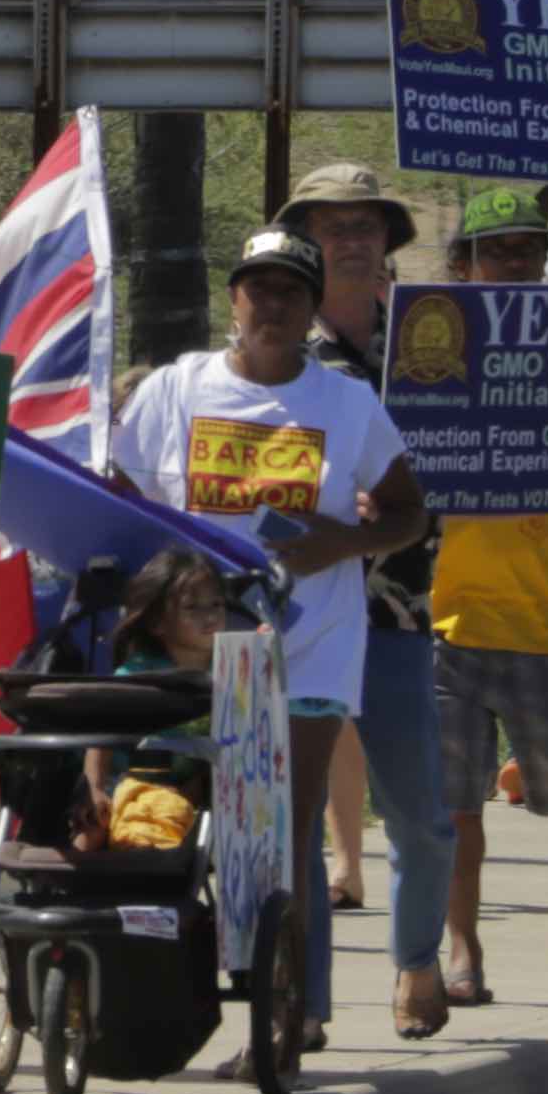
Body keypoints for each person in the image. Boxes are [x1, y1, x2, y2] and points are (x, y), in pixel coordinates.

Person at [106, 227, 428, 1048]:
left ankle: (289, 1012)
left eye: (291, 290)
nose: (273, 304)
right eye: (259, 287)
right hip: (194, 646)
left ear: (313, 305)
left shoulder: (348, 405)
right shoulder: (177, 390)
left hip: (309, 640)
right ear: (234, 299)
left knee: (284, 822)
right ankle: (171, 984)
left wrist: (339, 546)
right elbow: (117, 501)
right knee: (178, 809)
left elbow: (408, 511)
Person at [417, 189, 548, 998]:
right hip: (448, 621)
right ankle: (462, 949)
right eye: (495, 250)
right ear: (461, 267)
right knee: (452, 805)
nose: (513, 263)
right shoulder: (425, 353)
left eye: (527, 250)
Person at [274, 157, 454, 1043]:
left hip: (400, 609)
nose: (349, 236)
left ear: (389, 241)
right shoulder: (274, 352)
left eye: (365, 222)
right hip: (298, 614)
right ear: (306, 239)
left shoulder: (438, 344)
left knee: (419, 808)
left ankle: (418, 963)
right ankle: (303, 1004)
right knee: (294, 819)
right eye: (331, 223)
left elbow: (497, 449)